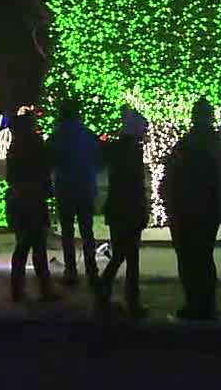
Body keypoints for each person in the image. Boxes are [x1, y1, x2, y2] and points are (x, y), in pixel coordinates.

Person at [165, 98, 221, 321]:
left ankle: (194, 303)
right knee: (204, 256)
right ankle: (207, 303)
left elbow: (171, 176)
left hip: (185, 210)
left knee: (188, 258)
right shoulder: (218, 145)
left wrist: (170, 204)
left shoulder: (185, 144)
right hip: (208, 209)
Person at [96, 107, 149, 318]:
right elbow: (135, 184)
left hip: (118, 208)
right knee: (127, 256)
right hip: (129, 209)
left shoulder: (116, 149)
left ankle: (108, 293)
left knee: (121, 254)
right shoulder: (133, 152)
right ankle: (128, 299)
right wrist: (142, 209)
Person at [47, 99, 101, 288]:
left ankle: (71, 271)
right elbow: (98, 158)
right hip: (85, 187)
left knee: (68, 231)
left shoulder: (57, 135)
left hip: (65, 188)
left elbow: (49, 161)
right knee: (87, 231)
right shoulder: (87, 134)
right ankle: (92, 270)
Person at [6, 111, 58, 302]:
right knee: (36, 245)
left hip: (20, 199)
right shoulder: (35, 145)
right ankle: (44, 288)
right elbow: (47, 165)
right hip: (33, 200)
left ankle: (18, 288)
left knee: (24, 245)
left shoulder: (15, 147)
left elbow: (11, 176)